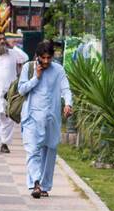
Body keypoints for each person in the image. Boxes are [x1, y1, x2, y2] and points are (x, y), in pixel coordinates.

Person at [17, 39, 73, 199]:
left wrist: (68, 104)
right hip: (31, 118)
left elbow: (66, 89)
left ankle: (45, 185)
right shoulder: (28, 68)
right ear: (38, 56)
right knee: (32, 151)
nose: (46, 61)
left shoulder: (59, 70)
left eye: (49, 58)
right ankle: (35, 183)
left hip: (51, 119)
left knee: (49, 152)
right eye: (44, 58)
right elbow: (21, 90)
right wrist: (36, 77)